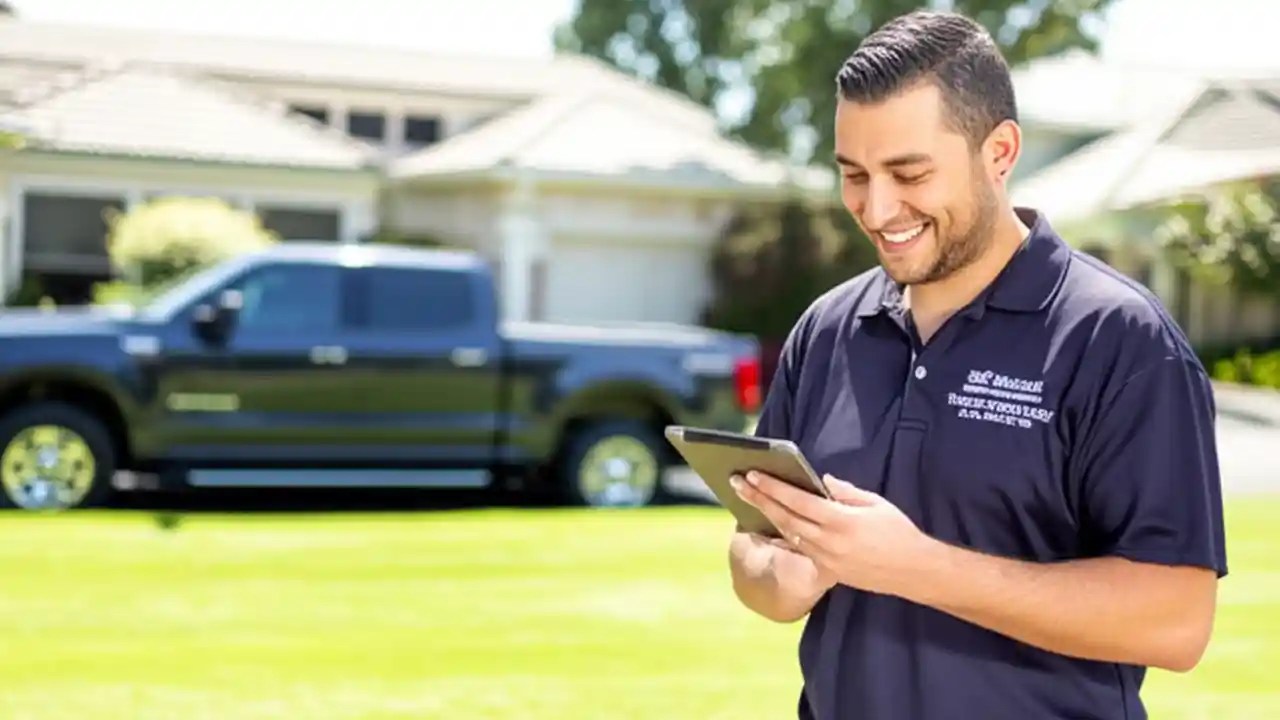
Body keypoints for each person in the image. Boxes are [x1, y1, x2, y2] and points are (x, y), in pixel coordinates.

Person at [726, 9, 1227, 720]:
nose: (876, 207)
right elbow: (751, 549)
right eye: (854, 175)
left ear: (999, 151)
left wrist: (915, 568)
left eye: (909, 173)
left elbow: (1176, 621)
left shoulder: (1121, 341)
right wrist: (790, 573)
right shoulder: (828, 329)